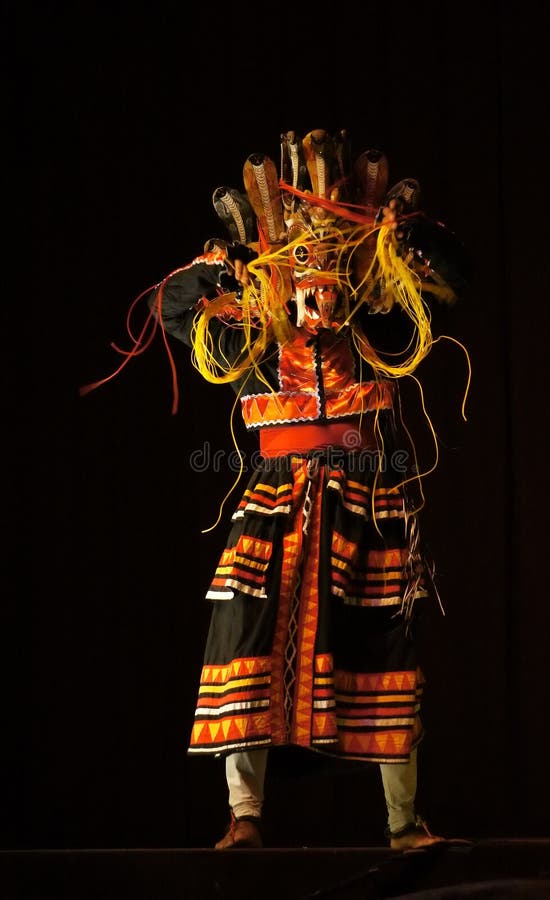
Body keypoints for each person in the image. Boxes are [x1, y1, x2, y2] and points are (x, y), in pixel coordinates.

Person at [113, 127, 471, 850]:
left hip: (365, 503)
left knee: (381, 647)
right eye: (303, 263)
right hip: (276, 506)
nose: (318, 292)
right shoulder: (250, 338)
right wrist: (226, 270)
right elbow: (172, 305)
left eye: (333, 266)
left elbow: (453, 277)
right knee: (242, 636)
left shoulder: (380, 327)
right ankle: (244, 816)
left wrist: (399, 241)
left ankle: (404, 824)